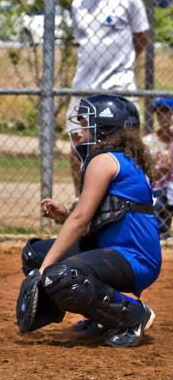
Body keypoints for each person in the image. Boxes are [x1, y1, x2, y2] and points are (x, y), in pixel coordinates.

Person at [20, 95, 160, 348]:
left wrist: (42, 274)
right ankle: (101, 316)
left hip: (134, 259)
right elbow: (105, 214)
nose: (80, 132)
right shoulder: (116, 158)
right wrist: (65, 216)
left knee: (60, 274)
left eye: (87, 124)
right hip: (113, 253)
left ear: (106, 129)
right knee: (35, 254)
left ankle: (133, 315)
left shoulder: (104, 160)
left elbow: (82, 220)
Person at [68, 0, 150, 192]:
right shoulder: (78, 3)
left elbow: (141, 38)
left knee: (125, 148)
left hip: (118, 86)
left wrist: (122, 64)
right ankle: (81, 203)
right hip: (84, 86)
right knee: (77, 148)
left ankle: (126, 201)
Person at [143, 97, 173, 241]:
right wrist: (160, 170)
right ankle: (163, 234)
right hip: (158, 189)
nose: (163, 117)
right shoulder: (148, 141)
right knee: (158, 199)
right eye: (159, 113)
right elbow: (147, 175)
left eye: (167, 112)